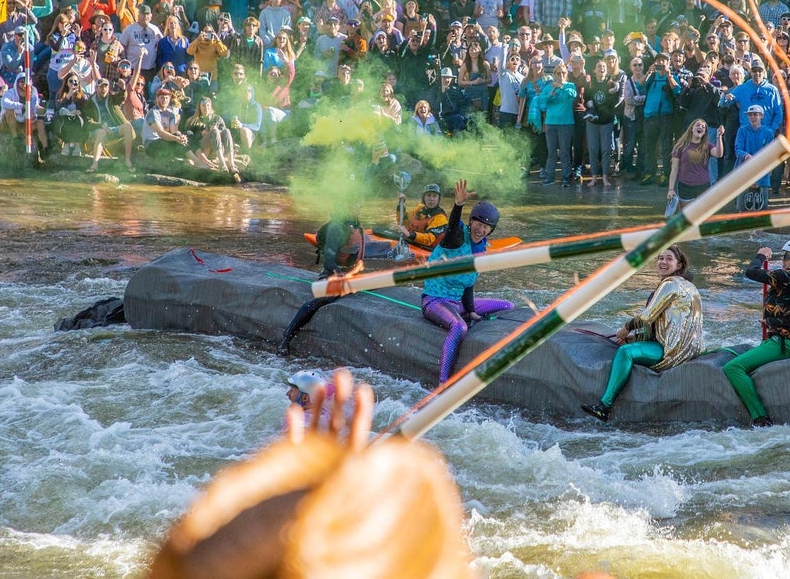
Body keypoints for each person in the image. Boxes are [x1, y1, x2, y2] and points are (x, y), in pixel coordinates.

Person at [147, 369, 474, 579]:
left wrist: (294, 468)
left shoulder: (298, 422)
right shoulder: (324, 417)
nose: (288, 395)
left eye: (292, 391)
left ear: (304, 396)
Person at [581, 246, 704, 421]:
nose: (663, 262)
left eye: (669, 258)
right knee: (630, 346)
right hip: (690, 349)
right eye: (660, 258)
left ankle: (604, 407)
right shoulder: (689, 286)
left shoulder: (670, 284)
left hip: (672, 352)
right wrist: (635, 338)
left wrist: (626, 328)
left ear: (679, 265)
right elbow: (663, 325)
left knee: (625, 352)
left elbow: (647, 317)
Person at [420, 180, 515, 384]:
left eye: (486, 227)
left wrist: (471, 311)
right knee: (459, 328)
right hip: (435, 301)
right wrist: (458, 205)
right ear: (471, 222)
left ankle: (466, 314)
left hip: (458, 303)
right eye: (478, 224)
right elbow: (453, 224)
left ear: (490, 230)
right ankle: (443, 383)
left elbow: (468, 285)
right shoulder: (456, 237)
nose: (480, 230)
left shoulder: (481, 248)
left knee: (507, 306)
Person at [723, 238, 790, 428]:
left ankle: (760, 418)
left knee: (733, 368)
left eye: (788, 256)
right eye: (783, 255)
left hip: (787, 344)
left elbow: (751, 272)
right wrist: (773, 321)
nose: (783, 260)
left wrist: (761, 256)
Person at [666, 118, 724, 212]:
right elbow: (674, 169)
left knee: (703, 216)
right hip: (685, 186)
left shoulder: (708, 146)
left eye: (703, 127)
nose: (700, 127)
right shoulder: (680, 147)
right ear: (691, 129)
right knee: (686, 216)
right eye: (698, 125)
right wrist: (671, 189)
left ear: (704, 132)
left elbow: (719, 154)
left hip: (703, 186)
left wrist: (719, 137)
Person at [734, 104, 776, 211]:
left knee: (762, 206)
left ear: (761, 116)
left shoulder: (768, 133)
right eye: (750, 115)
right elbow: (738, 149)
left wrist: (758, 181)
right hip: (744, 172)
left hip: (762, 173)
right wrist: (746, 155)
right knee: (741, 207)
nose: (752, 117)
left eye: (755, 114)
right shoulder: (742, 131)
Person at [395, 183, 449, 250]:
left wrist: (410, 235)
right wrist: (401, 205)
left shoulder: (440, 217)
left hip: (427, 250)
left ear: (438, 199)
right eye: (428, 195)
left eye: (434, 196)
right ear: (424, 198)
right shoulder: (420, 208)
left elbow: (429, 239)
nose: (431, 199)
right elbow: (404, 222)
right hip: (411, 242)